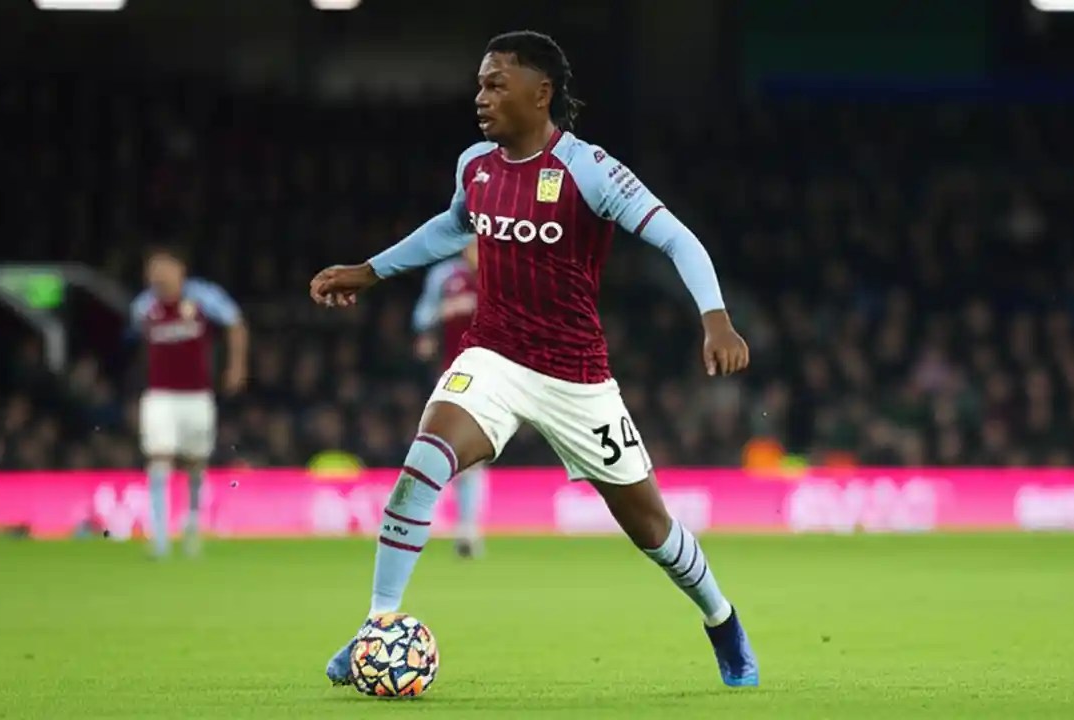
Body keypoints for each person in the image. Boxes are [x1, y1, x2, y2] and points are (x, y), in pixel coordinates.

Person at [311, 31, 758, 687]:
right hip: (492, 356)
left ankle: (722, 620)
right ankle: (376, 626)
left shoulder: (590, 170)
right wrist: (370, 270)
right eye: (479, 84)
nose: (481, 97)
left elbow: (677, 238)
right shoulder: (476, 165)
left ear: (539, 92)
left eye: (496, 83)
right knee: (423, 462)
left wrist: (715, 318)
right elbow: (452, 225)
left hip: (578, 379)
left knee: (652, 529)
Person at [131, 247, 247, 558]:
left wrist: (236, 366)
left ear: (180, 270)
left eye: (164, 268)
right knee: (159, 457)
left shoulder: (203, 297)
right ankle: (159, 538)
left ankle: (193, 523)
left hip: (197, 395)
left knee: (195, 463)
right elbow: (135, 343)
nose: (158, 276)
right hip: (160, 395)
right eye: (153, 270)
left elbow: (235, 322)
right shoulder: (143, 306)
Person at [411, 243, 488, 558]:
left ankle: (468, 529)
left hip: (490, 374)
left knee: (474, 452)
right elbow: (421, 317)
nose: (476, 251)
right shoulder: (444, 276)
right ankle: (430, 521)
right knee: (442, 448)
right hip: (451, 374)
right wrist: (437, 320)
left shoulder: (502, 277)